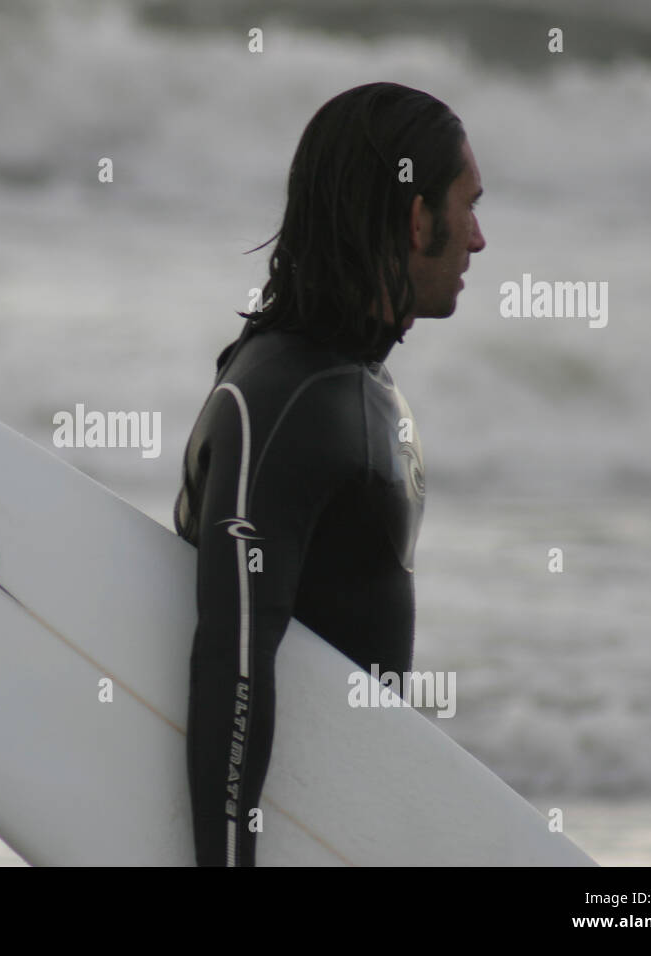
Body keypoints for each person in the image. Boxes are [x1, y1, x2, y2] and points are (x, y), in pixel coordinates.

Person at [173, 81, 485, 867]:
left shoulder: (345, 380)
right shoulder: (294, 402)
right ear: (417, 218)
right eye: (468, 207)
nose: (479, 239)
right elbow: (233, 663)